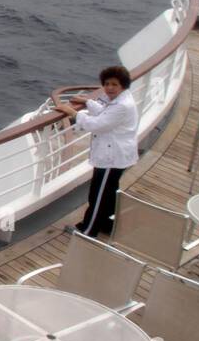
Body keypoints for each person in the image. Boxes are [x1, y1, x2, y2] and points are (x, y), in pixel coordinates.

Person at [54, 65, 139, 237]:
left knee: (99, 195)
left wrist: (72, 112)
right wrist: (88, 102)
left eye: (114, 84)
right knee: (109, 192)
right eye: (106, 84)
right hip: (117, 155)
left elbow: (97, 124)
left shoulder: (122, 105)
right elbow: (105, 113)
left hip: (112, 157)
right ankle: (107, 225)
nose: (109, 88)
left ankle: (88, 230)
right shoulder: (120, 101)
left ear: (123, 85)